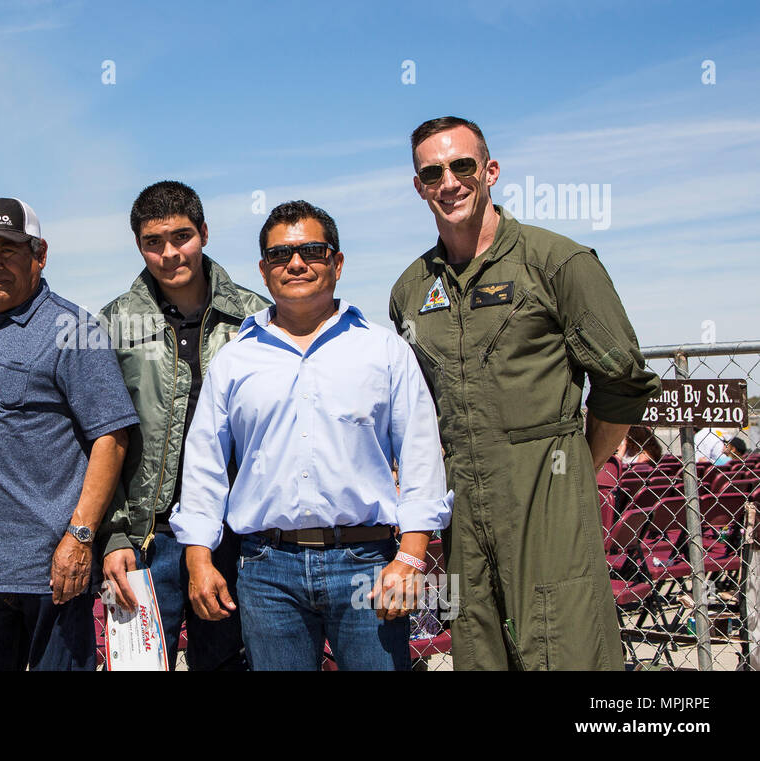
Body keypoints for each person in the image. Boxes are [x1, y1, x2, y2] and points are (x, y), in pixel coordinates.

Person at [389, 116, 661, 670]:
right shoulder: (412, 291)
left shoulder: (558, 263)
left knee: (565, 643)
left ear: (489, 171)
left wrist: (581, 462)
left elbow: (623, 379)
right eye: (432, 172)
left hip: (548, 487)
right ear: (418, 185)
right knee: (477, 643)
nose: (449, 181)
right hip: (461, 497)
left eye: (462, 165)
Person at [173, 200, 451, 671]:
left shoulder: (383, 350)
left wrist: (411, 558)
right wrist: (199, 559)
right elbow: (204, 467)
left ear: (337, 263)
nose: (296, 263)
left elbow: (422, 456)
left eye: (312, 251)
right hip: (266, 571)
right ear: (264, 271)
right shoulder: (234, 361)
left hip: (369, 564)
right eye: (280, 255)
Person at [0, 198, 138, 670]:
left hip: (50, 576)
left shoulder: (74, 328)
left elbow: (111, 438)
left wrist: (79, 537)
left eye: (7, 250)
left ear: (40, 254)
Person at [98, 181, 267, 670]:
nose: (170, 253)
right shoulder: (111, 325)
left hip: (238, 536)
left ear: (205, 233)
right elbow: (100, 440)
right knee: (138, 666)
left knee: (230, 664)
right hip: (147, 539)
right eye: (154, 242)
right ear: (139, 246)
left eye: (182, 236)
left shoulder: (257, 319)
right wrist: (111, 537)